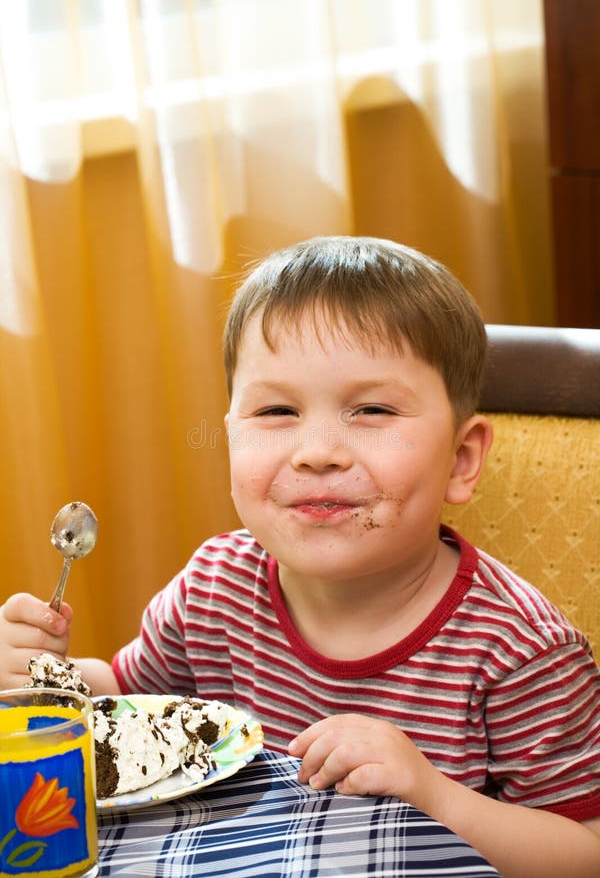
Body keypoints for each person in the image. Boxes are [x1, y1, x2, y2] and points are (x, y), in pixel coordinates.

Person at [1, 236, 599, 876]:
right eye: (277, 410)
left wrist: (435, 795)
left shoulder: (518, 650)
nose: (317, 450)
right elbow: (129, 701)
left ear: (461, 459)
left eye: (371, 410)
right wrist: (39, 676)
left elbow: (584, 853)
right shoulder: (214, 587)